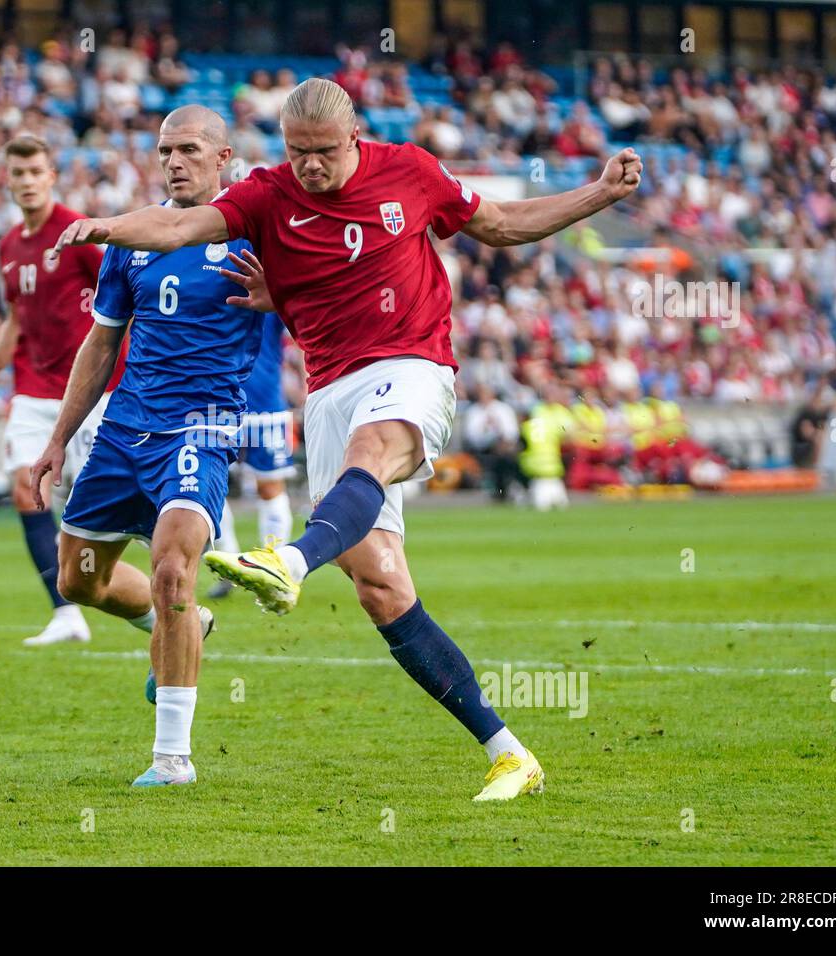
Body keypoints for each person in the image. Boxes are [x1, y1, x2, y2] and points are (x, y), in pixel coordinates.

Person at [52, 77, 643, 802]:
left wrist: (599, 193)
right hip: (329, 390)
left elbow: (500, 222)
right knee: (382, 589)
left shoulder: (411, 171)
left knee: (370, 453)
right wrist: (106, 227)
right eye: (298, 151)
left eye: (325, 152)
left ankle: (290, 559)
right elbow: (178, 228)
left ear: (355, 137)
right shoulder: (267, 196)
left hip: (410, 365)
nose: (311, 165)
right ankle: (510, 753)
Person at [31, 106, 268, 787]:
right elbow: (102, 341)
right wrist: (58, 439)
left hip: (202, 426)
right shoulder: (132, 239)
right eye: (165, 151)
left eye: (188, 149)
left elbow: (312, 300)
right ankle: (189, 627)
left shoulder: (253, 230)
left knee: (172, 571)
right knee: (77, 580)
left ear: (222, 157)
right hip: (124, 427)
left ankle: (172, 757)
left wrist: (278, 294)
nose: (173, 161)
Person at [0, 135, 124, 647]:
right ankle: (65, 613)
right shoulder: (9, 246)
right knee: (26, 489)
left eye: (36, 171)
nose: (27, 181)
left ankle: (162, 594)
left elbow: (124, 294)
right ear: (8, 180)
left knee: (105, 510)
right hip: (33, 390)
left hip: (91, 392)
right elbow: (16, 319)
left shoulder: (78, 234)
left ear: (51, 176)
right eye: (18, 173)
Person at [209, 311, 296, 598]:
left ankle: (275, 568)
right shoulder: (207, 290)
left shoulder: (269, 294)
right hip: (216, 405)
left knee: (269, 487)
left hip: (265, 405)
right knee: (210, 486)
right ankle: (228, 563)